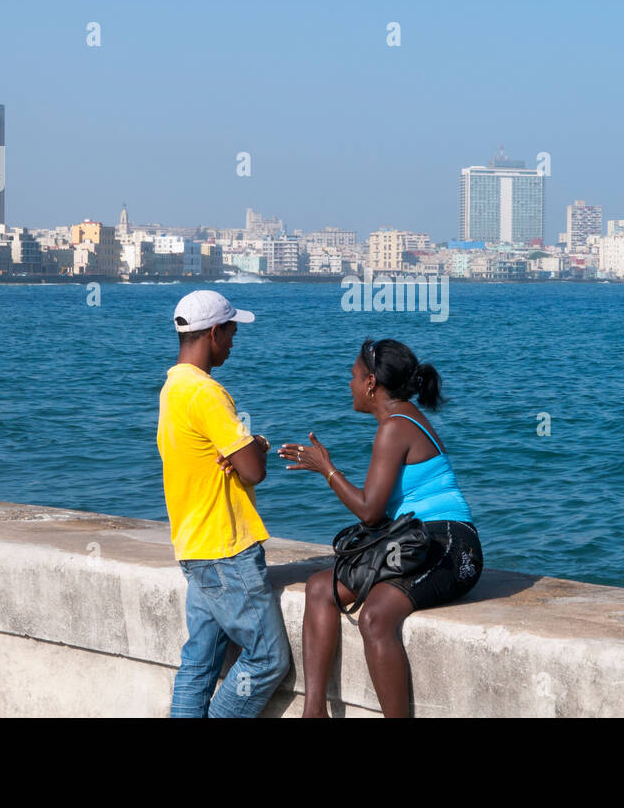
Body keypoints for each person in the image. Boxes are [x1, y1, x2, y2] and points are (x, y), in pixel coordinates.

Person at [279, 338, 483, 718]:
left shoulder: (395, 427)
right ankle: (314, 712)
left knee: (374, 617)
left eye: (354, 376)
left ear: (372, 383)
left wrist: (327, 469)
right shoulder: (399, 420)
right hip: (417, 541)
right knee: (320, 586)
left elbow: (370, 513)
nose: (350, 384)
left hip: (454, 548)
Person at [159, 289, 291, 718]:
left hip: (193, 546)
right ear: (213, 332)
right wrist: (258, 445)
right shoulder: (207, 393)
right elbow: (253, 470)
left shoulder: (173, 388)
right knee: (268, 658)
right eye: (232, 331)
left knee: (198, 664)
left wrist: (248, 448)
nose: (234, 340)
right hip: (226, 549)